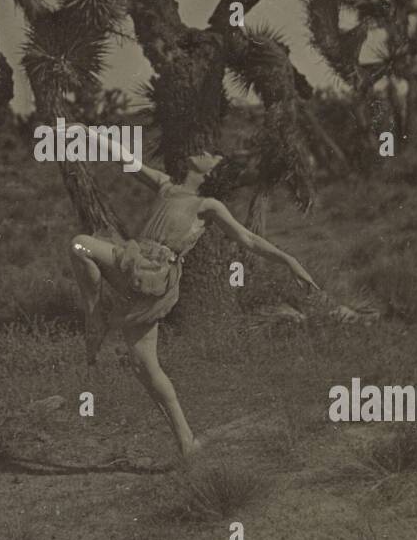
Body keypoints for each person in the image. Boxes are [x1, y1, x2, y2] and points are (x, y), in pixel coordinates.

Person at [68, 141, 320, 462]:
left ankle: (96, 317)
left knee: (80, 245)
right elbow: (124, 160)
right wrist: (88, 134)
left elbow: (249, 239)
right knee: (143, 366)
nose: (205, 151)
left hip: (156, 275)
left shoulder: (208, 205)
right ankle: (188, 442)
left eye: (214, 156)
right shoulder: (166, 186)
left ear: (211, 172)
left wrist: (290, 261)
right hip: (133, 263)